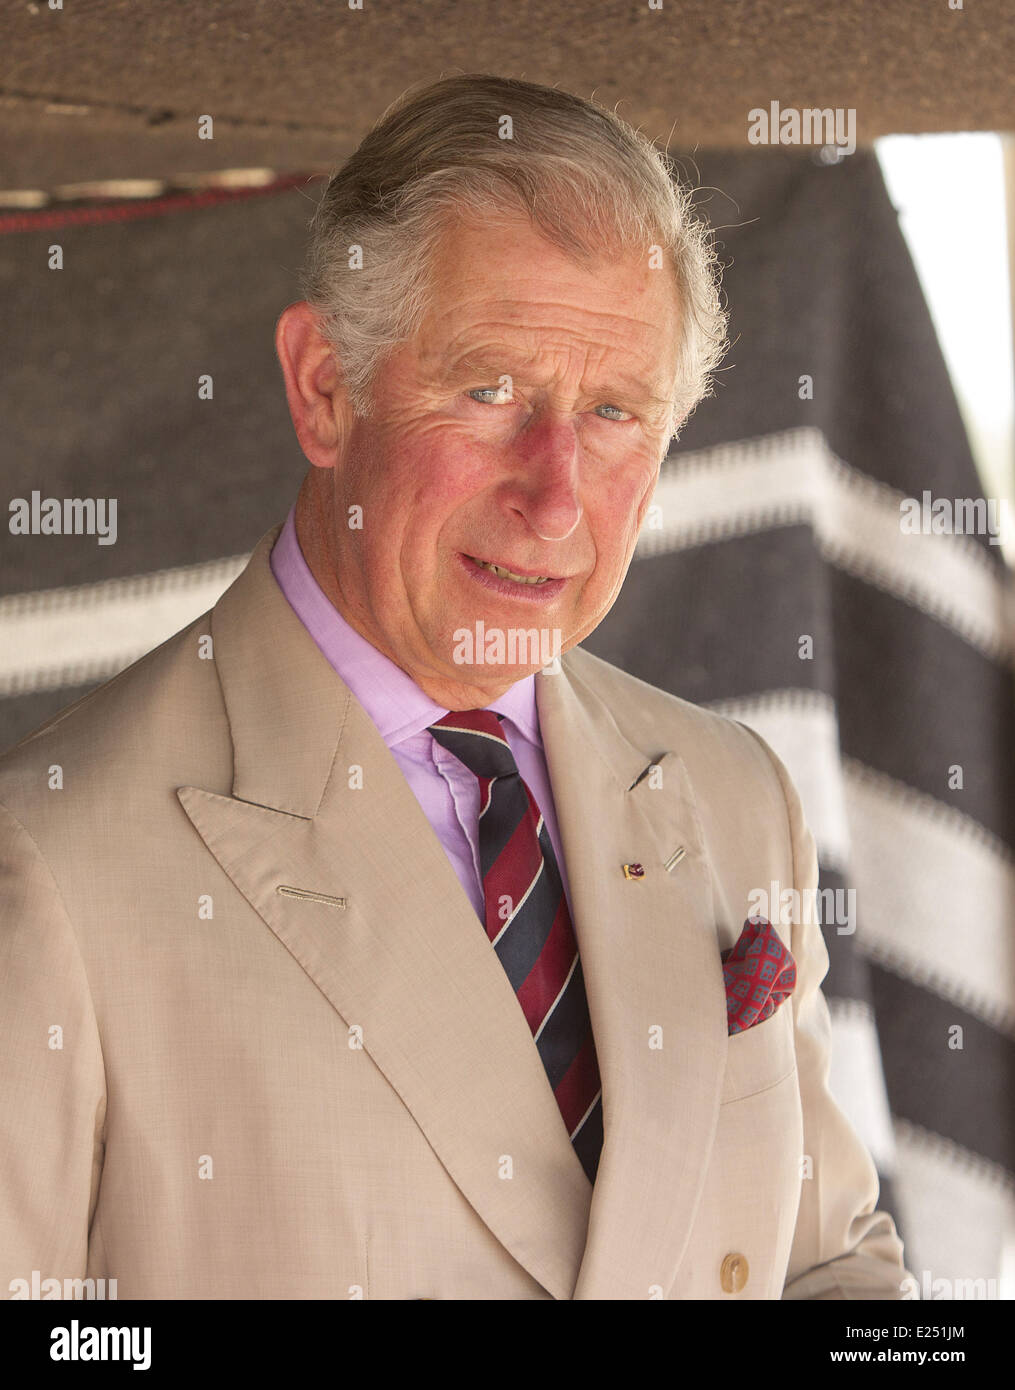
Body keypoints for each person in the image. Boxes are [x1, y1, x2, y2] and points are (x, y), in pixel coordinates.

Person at [0, 73, 911, 1300]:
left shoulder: (732, 792)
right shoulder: (53, 866)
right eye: (490, 392)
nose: (554, 494)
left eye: (611, 411)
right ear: (325, 386)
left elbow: (832, 1260)